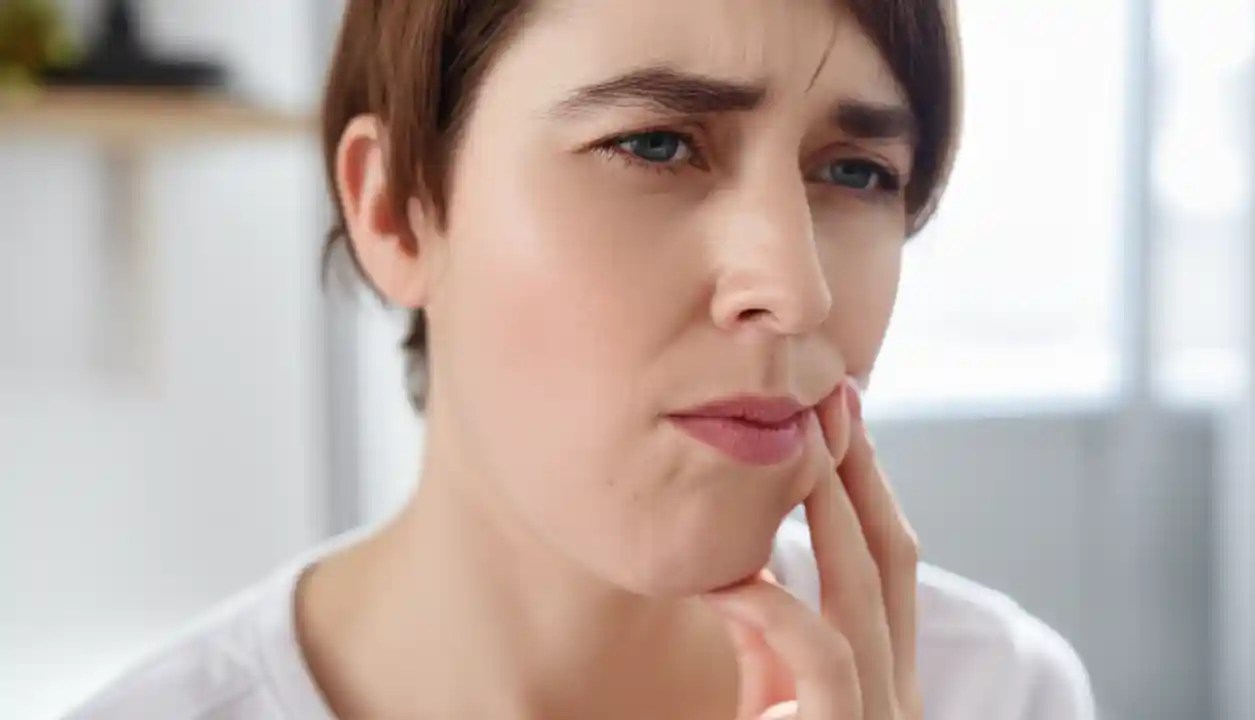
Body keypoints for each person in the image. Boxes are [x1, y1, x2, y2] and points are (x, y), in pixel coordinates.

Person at [67, 0, 1096, 718]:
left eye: (856, 171)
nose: (794, 289)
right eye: (654, 145)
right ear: (397, 211)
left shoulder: (998, 695)